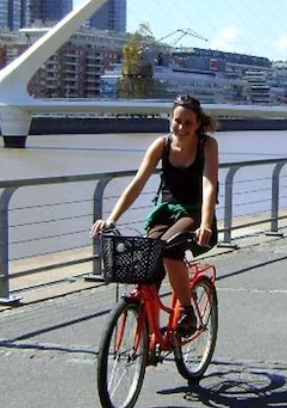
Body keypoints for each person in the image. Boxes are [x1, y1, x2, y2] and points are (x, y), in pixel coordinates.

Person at [91, 95, 219, 337]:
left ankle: (187, 312)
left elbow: (208, 184)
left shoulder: (207, 145)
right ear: (170, 119)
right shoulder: (162, 144)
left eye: (188, 123)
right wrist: (112, 219)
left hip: (195, 211)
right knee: (148, 262)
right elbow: (138, 182)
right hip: (167, 211)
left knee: (170, 251)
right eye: (177, 121)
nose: (181, 128)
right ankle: (148, 333)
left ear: (199, 124)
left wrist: (205, 223)